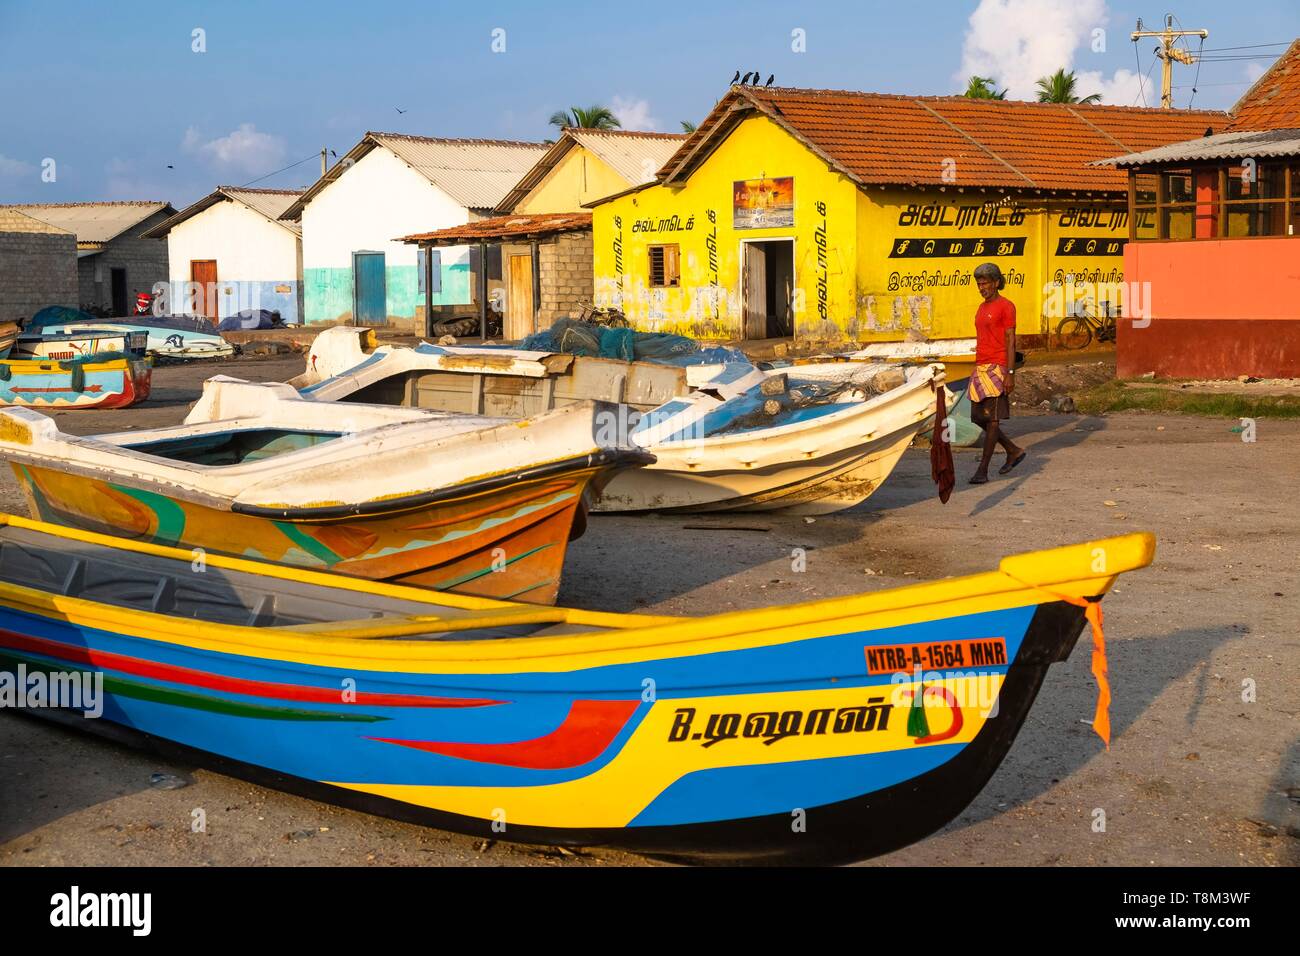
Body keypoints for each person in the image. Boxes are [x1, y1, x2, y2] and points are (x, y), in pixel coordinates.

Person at [967, 262, 1025, 484]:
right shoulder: (981, 308)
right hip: (980, 366)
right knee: (977, 417)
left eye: (985, 283)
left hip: (999, 366)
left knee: (992, 420)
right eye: (979, 284)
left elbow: (1011, 340)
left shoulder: (1006, 306)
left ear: (996, 283)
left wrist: (1010, 373)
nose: (982, 288)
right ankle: (1012, 450)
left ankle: (983, 470)